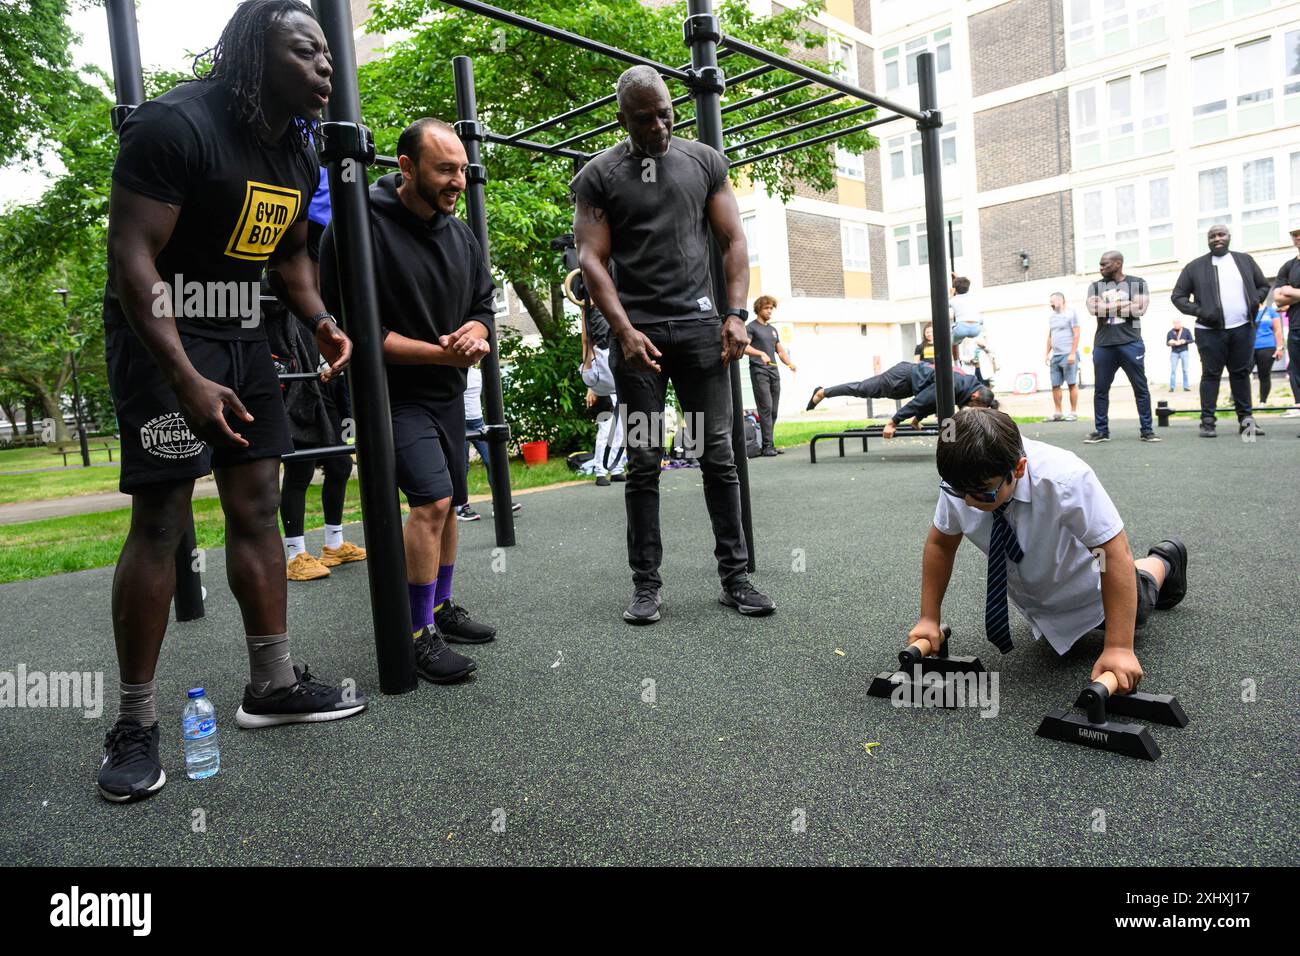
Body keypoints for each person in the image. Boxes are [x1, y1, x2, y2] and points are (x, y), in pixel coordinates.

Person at [97, 0, 366, 803]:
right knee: (163, 520)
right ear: (255, 53)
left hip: (246, 335)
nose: (324, 66)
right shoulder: (176, 125)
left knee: (256, 506)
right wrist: (182, 374)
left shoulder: (299, 150)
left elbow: (289, 257)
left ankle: (271, 685)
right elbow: (131, 255)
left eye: (327, 53)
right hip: (164, 335)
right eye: (305, 51)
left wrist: (318, 321)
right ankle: (137, 723)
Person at [572, 65, 775, 624]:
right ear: (623, 119)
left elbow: (734, 239)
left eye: (665, 113)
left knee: (718, 456)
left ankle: (736, 578)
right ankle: (646, 586)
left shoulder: (704, 161)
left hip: (701, 335)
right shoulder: (598, 175)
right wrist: (622, 329)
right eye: (645, 119)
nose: (659, 126)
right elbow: (591, 259)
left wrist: (736, 315)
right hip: (640, 345)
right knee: (642, 461)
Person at [320, 117, 499, 683]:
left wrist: (475, 332)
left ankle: (440, 609)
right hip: (387, 396)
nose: (456, 181)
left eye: (462, 170)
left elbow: (483, 304)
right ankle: (415, 633)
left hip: (445, 391)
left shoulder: (459, 232)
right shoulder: (358, 227)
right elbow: (360, 331)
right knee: (430, 502)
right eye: (445, 169)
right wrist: (442, 353)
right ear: (405, 167)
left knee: (447, 505)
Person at [908, 407, 1188, 693]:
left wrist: (1118, 647)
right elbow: (941, 544)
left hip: (1092, 587)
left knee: (1138, 602)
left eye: (982, 493)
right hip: (1042, 591)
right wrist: (929, 618)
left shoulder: (1065, 478)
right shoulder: (964, 476)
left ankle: (1165, 559)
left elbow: (1113, 552)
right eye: (958, 491)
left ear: (1018, 469)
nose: (967, 502)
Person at [264, 282, 365, 579]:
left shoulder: (326, 282)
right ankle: (296, 554)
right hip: (300, 387)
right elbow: (269, 305)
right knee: (300, 469)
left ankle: (333, 544)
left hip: (328, 384)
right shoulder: (282, 281)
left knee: (340, 464)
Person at [1171, 224, 1270, 438]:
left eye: (1221, 234)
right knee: (1211, 375)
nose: (1217, 238)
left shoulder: (1244, 260)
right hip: (1209, 331)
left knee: (1241, 374)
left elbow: (1263, 286)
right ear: (1207, 240)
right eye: (1212, 236)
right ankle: (1207, 423)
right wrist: (1201, 311)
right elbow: (1178, 297)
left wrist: (1254, 301)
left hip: (1242, 328)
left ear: (1229, 237)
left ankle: (1247, 423)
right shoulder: (1194, 267)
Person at [804, 361, 996, 437]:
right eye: (974, 406)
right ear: (975, 396)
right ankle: (823, 392)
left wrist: (917, 419)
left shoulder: (966, 385)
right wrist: (893, 422)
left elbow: (932, 399)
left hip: (908, 382)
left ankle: (825, 392)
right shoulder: (955, 384)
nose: (971, 408)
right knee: (863, 389)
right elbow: (922, 400)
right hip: (902, 377)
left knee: (864, 390)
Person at [1084, 251, 1159, 443]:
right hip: (1103, 344)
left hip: (1131, 342)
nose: (1100, 268)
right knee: (1101, 389)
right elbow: (1093, 310)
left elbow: (1140, 309)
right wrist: (1124, 304)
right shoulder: (1095, 286)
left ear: (1118, 263)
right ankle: (1101, 431)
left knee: (1140, 387)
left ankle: (1147, 430)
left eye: (1104, 264)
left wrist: (1106, 306)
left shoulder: (1137, 282)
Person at [456, 365, 521, 520]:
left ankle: (500, 502)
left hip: (478, 423)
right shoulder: (455, 374)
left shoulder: (478, 374)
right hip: (460, 424)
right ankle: (461, 506)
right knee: (461, 466)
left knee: (493, 460)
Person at [743, 295, 796, 456]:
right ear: (759, 308)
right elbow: (744, 347)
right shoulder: (751, 327)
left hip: (774, 371)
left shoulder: (772, 330)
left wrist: (789, 363)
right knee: (765, 408)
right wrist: (760, 354)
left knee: (773, 411)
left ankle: (769, 443)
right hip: (759, 371)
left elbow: (779, 350)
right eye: (767, 308)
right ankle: (767, 446)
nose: (770, 311)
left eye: (771, 308)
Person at [1273, 224, 1300, 421]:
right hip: (1297, 326)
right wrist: (1289, 293)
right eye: (1294, 235)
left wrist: (1291, 291)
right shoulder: (1288, 266)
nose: (1298, 237)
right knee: (1296, 370)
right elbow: (1278, 298)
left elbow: (1286, 295)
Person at [1045, 292, 1080, 421]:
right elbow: (1050, 336)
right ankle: (1058, 412)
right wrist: (1047, 353)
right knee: (1055, 385)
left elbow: (1076, 334)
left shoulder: (1071, 313)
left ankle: (1073, 412)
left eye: (1052, 301)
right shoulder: (1052, 317)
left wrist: (1072, 353)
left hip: (1068, 355)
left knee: (1071, 384)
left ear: (1060, 301)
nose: (1051, 304)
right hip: (1056, 356)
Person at [1251, 299, 1283, 405]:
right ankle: (1237, 400)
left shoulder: (1271, 311)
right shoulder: (1249, 311)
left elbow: (1277, 330)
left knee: (1264, 375)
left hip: (1267, 347)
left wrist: (1279, 348)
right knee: (1242, 373)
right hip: (1249, 347)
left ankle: (1262, 402)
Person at [950, 275, 981, 345]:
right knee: (980, 320)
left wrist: (951, 294)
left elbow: (946, 305)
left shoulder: (953, 300)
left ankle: (958, 340)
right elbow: (964, 286)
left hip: (961, 328)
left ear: (954, 289)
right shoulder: (973, 296)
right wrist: (957, 278)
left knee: (952, 341)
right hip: (976, 329)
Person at [1166, 318, 1193, 392]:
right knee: (1173, 370)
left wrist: (1184, 341)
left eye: (1178, 323)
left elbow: (1191, 340)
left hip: (1184, 351)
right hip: (1174, 352)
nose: (1176, 324)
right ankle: (1172, 387)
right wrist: (1172, 342)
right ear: (1173, 324)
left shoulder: (1186, 331)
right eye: (1175, 323)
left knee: (1185, 370)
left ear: (1180, 323)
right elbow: (1167, 343)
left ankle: (1186, 387)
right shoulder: (1170, 332)